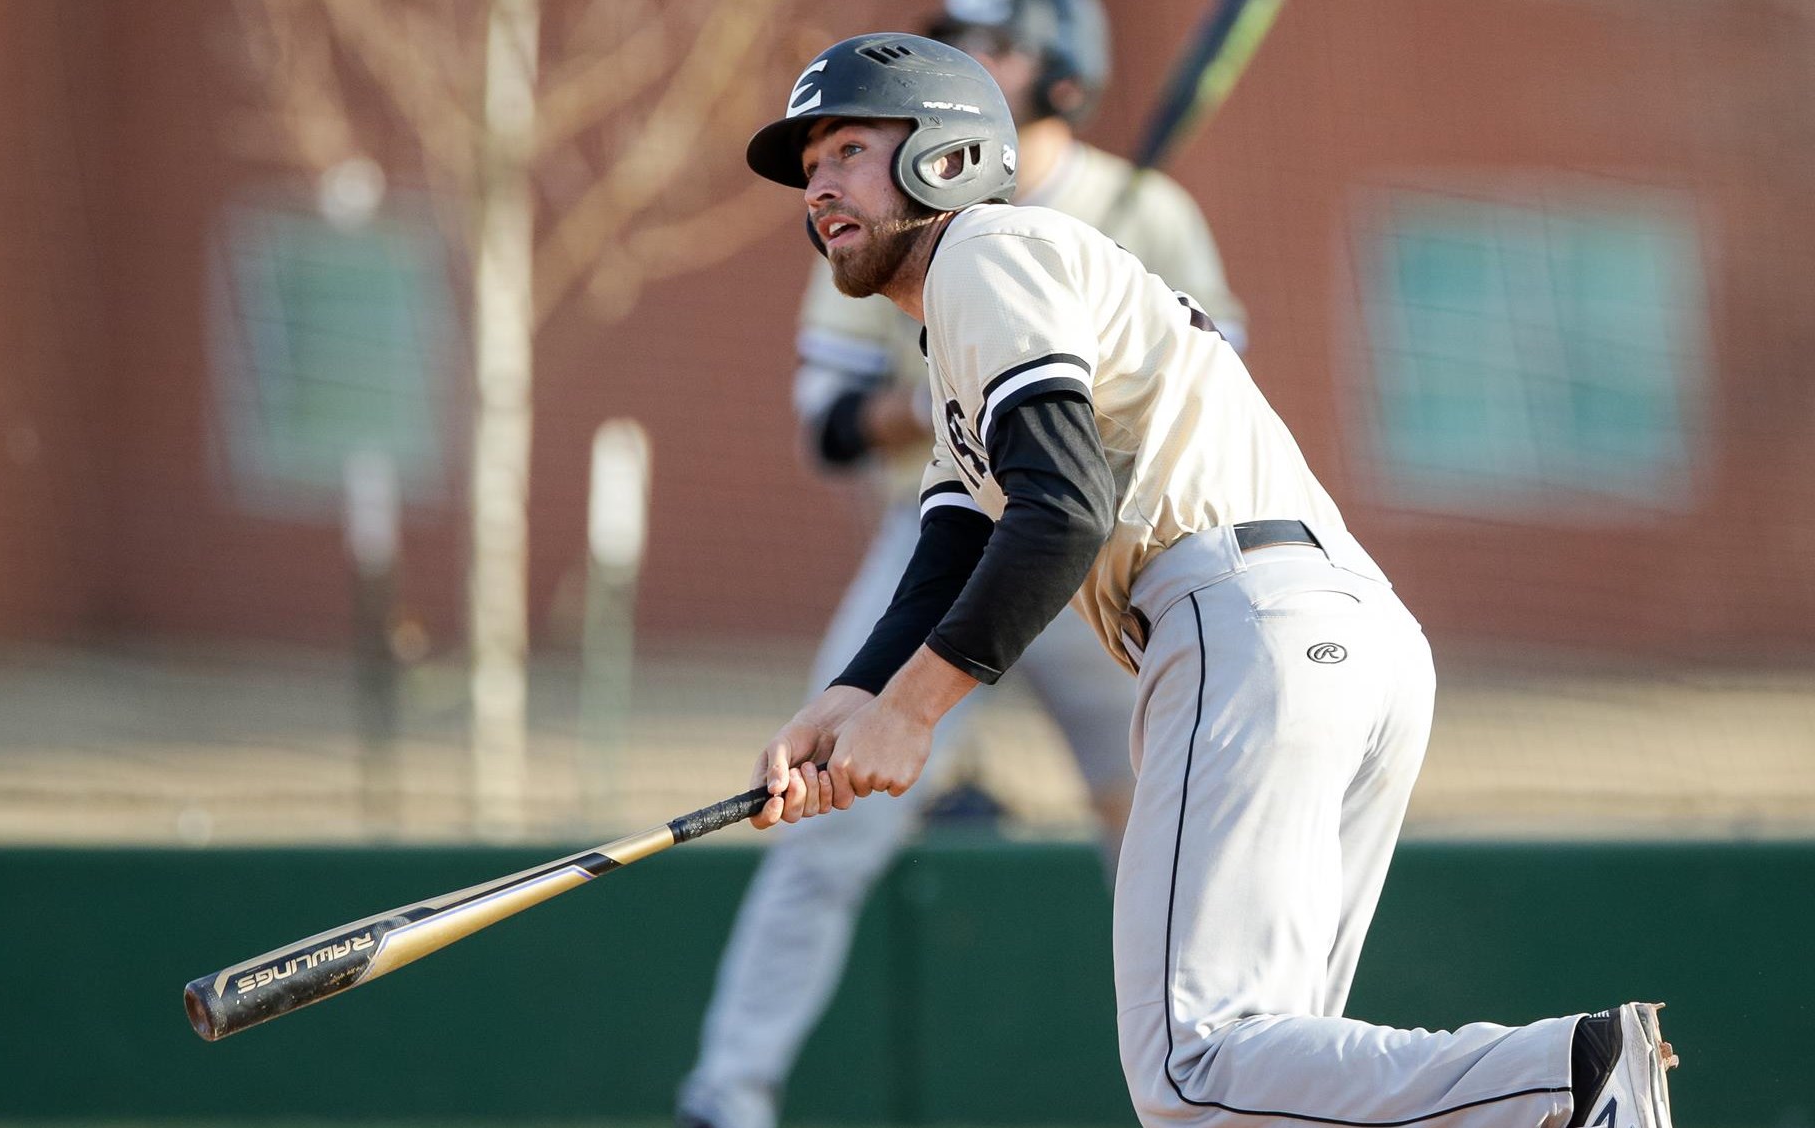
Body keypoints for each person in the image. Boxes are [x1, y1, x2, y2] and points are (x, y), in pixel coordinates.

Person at [735, 30, 1678, 1128]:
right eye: (811, 168)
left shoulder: (983, 254)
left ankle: (1566, 1079)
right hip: (1343, 637)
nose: (820, 187)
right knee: (1275, 1089)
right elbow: (946, 553)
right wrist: (850, 696)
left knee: (1195, 1066)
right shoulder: (969, 322)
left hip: (1240, 626)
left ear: (944, 158)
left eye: (849, 149)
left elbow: (1061, 513)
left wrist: (911, 714)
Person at [676, 6, 1247, 1128]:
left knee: (1157, 830)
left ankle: (1219, 1079)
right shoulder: (877, 223)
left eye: (999, 39)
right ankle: (727, 1094)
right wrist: (955, 386)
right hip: (940, 536)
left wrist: (1062, 347)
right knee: (824, 818)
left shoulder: (1136, 213)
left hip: (1117, 547)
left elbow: (1202, 385)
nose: (969, 51)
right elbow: (832, 425)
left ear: (1060, 74)